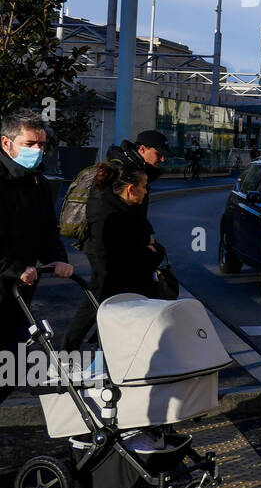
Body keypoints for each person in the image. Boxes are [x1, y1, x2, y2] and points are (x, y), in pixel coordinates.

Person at [0, 110, 73, 406]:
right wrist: (14, 269)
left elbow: (47, 231)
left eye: (41, 145)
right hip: (8, 279)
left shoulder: (38, 184)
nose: (37, 151)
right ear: (6, 143)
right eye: (30, 144)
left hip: (21, 292)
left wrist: (57, 258)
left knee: (11, 367)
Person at [63, 163, 163, 350]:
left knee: (97, 311)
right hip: (117, 281)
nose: (146, 191)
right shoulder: (119, 216)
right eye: (144, 186)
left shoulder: (115, 207)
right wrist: (153, 250)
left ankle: (68, 355)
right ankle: (66, 357)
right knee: (101, 314)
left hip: (113, 278)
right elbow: (143, 255)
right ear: (130, 189)